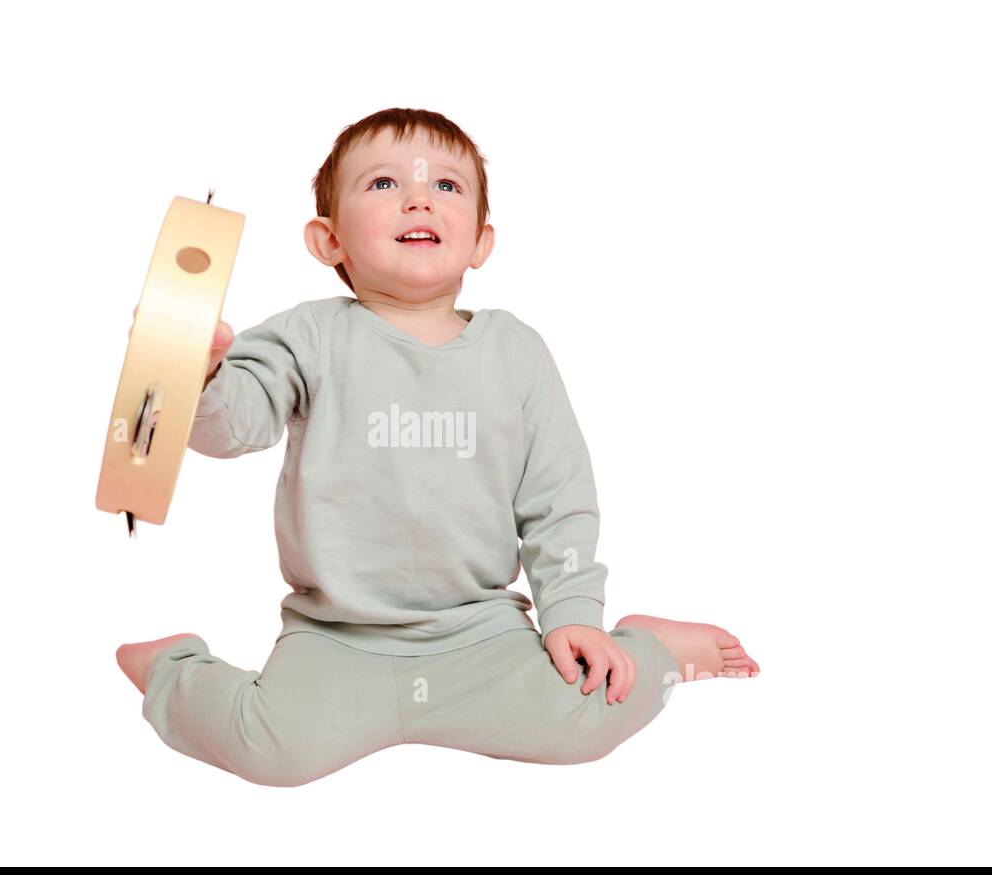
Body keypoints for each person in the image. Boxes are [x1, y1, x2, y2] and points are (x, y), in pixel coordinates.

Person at [116, 108, 760, 787]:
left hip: (480, 639)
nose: (419, 197)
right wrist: (201, 375)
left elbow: (558, 500)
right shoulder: (309, 336)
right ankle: (172, 670)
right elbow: (232, 426)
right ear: (328, 239)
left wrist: (574, 616)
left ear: (481, 241)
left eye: (446, 186)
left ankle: (654, 646)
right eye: (384, 183)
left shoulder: (516, 352)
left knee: (590, 719)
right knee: (275, 753)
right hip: (337, 641)